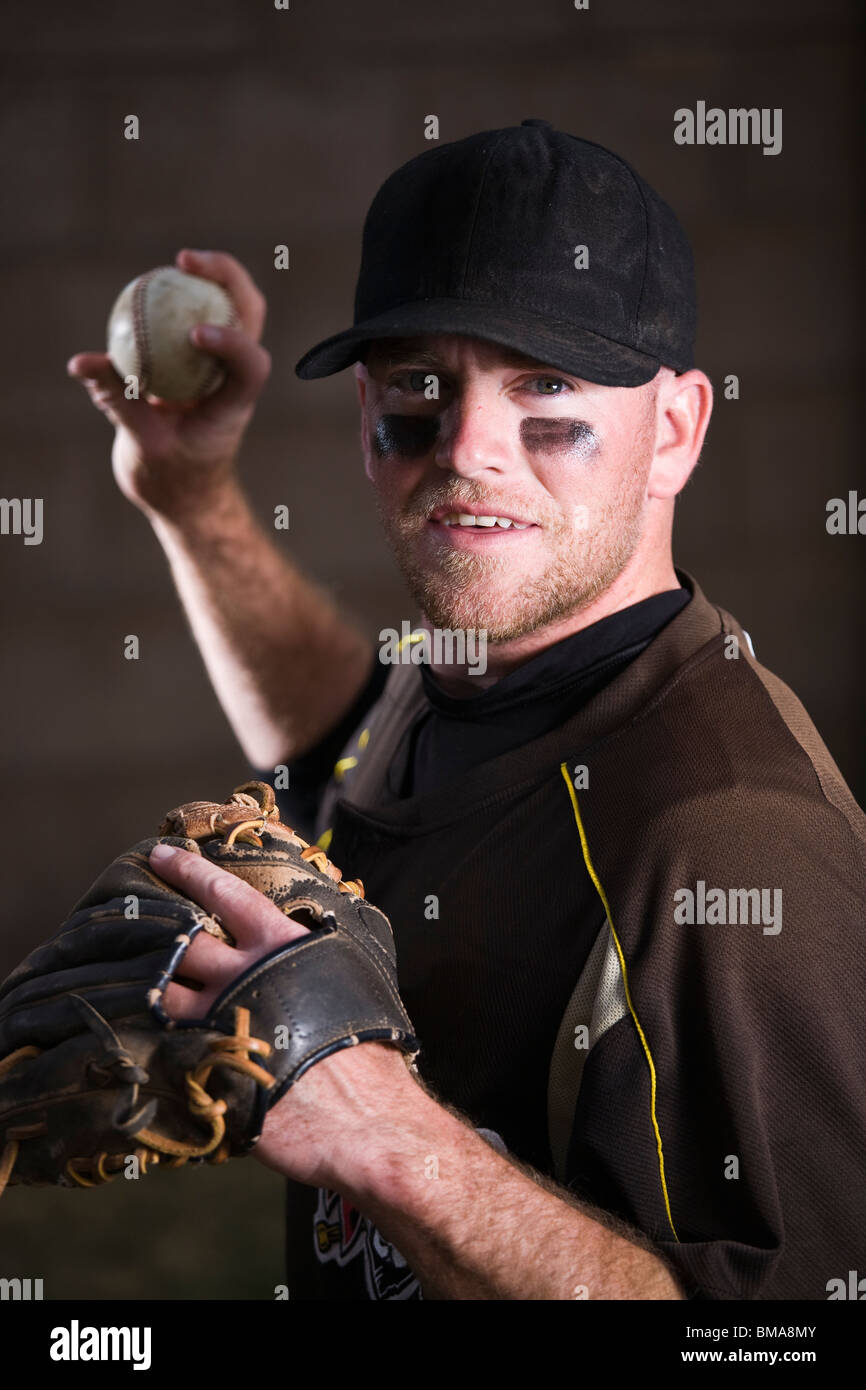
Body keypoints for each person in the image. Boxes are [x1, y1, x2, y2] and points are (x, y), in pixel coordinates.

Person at [68, 120, 866, 1301]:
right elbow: (341, 730)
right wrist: (190, 496)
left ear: (676, 432)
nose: (467, 448)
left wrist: (385, 1136)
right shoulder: (461, 676)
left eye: (544, 386)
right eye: (419, 388)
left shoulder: (724, 837)